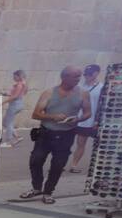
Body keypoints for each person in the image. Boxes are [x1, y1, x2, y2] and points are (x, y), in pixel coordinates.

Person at [22, 66, 90, 204]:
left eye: (79, 76)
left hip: (66, 134)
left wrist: (78, 119)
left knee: (58, 164)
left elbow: (88, 112)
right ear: (64, 77)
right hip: (46, 133)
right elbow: (36, 114)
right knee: (36, 160)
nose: (78, 79)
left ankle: (48, 191)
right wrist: (52, 116)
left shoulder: (83, 94)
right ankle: (36, 188)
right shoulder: (49, 93)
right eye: (75, 77)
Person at [70, 64, 102, 172]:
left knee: (87, 144)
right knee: (79, 143)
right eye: (86, 74)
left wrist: (97, 120)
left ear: (96, 74)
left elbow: (101, 105)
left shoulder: (101, 87)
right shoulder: (80, 87)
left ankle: (75, 165)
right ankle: (72, 165)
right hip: (78, 119)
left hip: (91, 120)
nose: (86, 76)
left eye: (89, 74)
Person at [1, 70, 27, 147]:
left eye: (14, 76)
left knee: (8, 123)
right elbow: (16, 94)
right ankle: (17, 137)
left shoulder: (19, 85)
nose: (13, 78)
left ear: (19, 76)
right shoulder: (22, 84)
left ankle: (8, 142)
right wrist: (6, 94)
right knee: (5, 122)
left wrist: (3, 102)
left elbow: (15, 96)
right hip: (17, 104)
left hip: (14, 105)